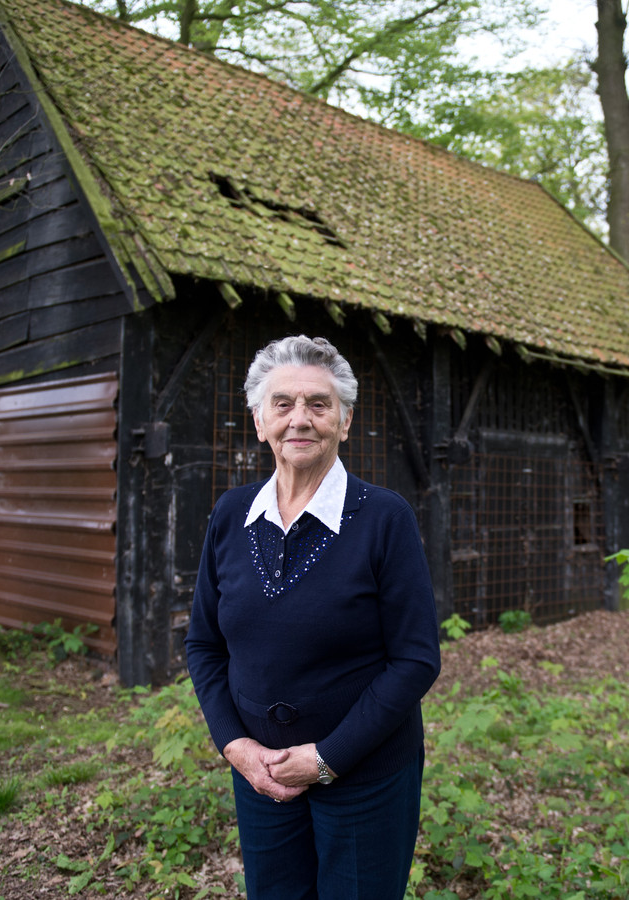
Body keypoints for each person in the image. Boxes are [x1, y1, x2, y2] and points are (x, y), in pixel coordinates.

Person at [185, 335, 442, 900]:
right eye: (283, 404)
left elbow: (416, 659)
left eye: (319, 405)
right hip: (262, 777)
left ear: (344, 422)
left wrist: (326, 759)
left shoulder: (384, 519)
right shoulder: (231, 515)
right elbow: (203, 645)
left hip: (365, 777)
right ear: (259, 421)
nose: (300, 419)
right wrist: (236, 747)